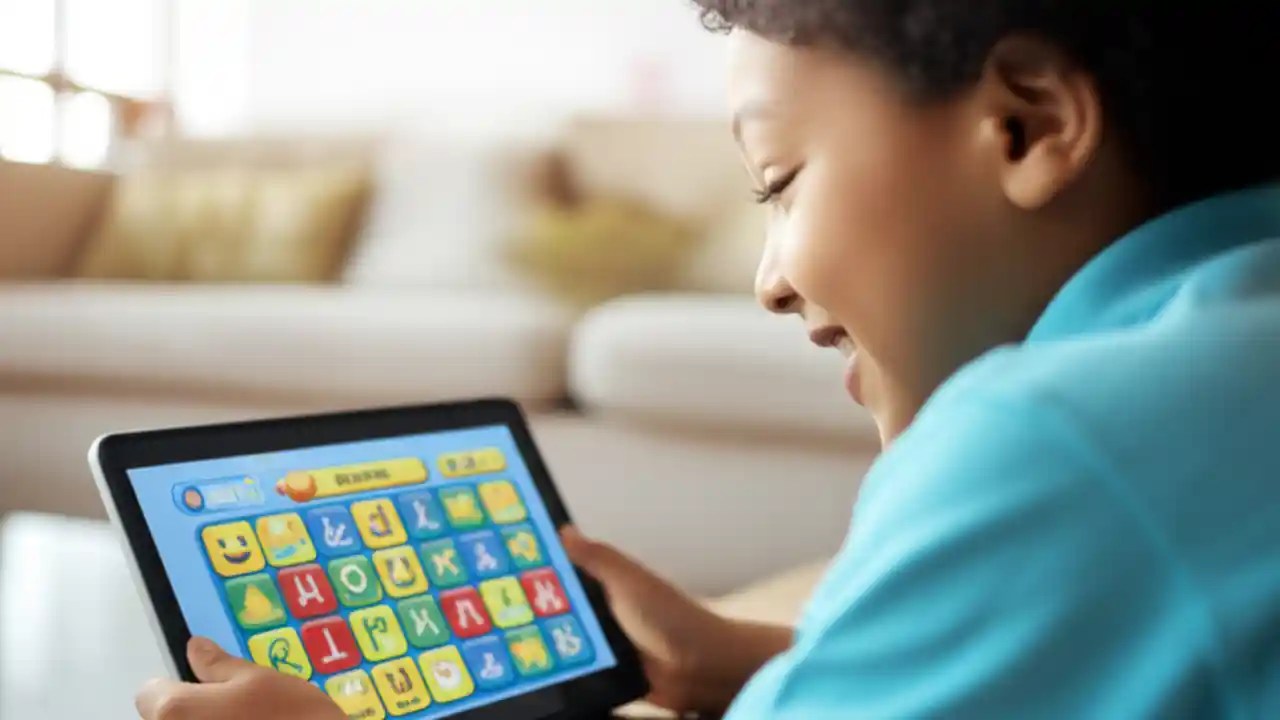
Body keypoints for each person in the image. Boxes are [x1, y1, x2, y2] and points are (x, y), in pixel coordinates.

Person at [136, 1, 1280, 718]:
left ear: (1026, 124)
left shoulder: (1049, 438)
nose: (767, 278)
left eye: (777, 182)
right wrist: (760, 666)